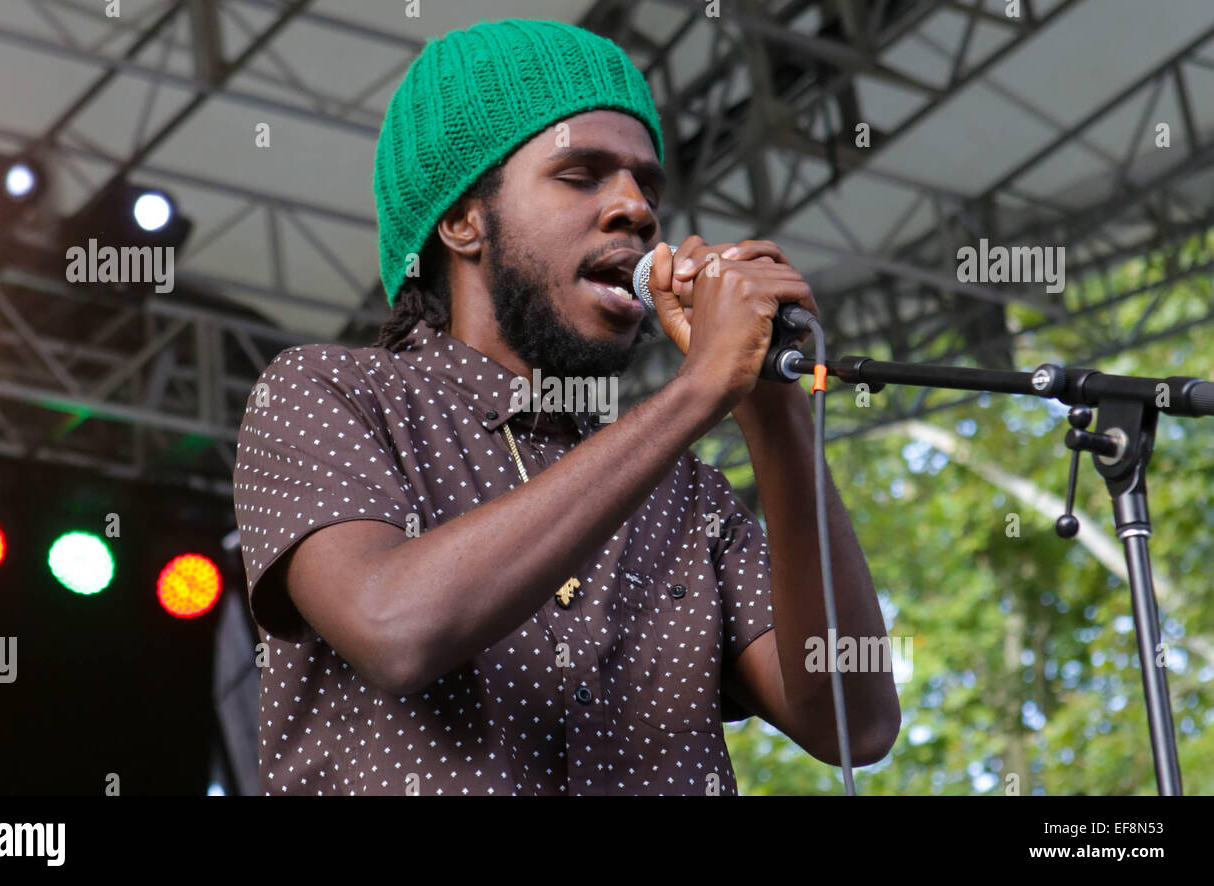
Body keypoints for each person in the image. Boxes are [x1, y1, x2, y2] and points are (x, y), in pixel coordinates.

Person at [232, 18, 899, 795]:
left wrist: (774, 416)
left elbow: (854, 722)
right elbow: (393, 628)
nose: (637, 210)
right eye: (582, 174)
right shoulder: (330, 392)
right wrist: (700, 389)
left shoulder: (685, 494)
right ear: (461, 219)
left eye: (647, 185)